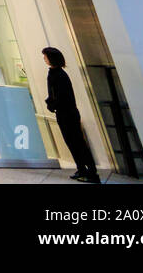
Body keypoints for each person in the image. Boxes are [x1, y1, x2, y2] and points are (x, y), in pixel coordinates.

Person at [43, 47, 99, 183]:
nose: (44, 59)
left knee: (78, 143)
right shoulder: (54, 73)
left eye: (45, 56)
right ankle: (81, 169)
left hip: (68, 114)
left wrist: (51, 104)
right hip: (64, 113)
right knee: (72, 143)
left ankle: (91, 172)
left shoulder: (59, 75)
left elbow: (61, 96)